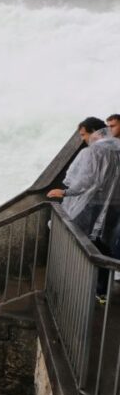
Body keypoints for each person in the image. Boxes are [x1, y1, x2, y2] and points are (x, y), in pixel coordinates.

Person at [48, 128, 120, 303]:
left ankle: (96, 288)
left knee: (91, 244)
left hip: (96, 206)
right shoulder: (116, 149)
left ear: (95, 133)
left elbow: (86, 181)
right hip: (114, 206)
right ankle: (102, 289)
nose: (85, 139)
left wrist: (65, 192)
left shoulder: (95, 151)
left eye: (84, 135)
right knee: (104, 245)